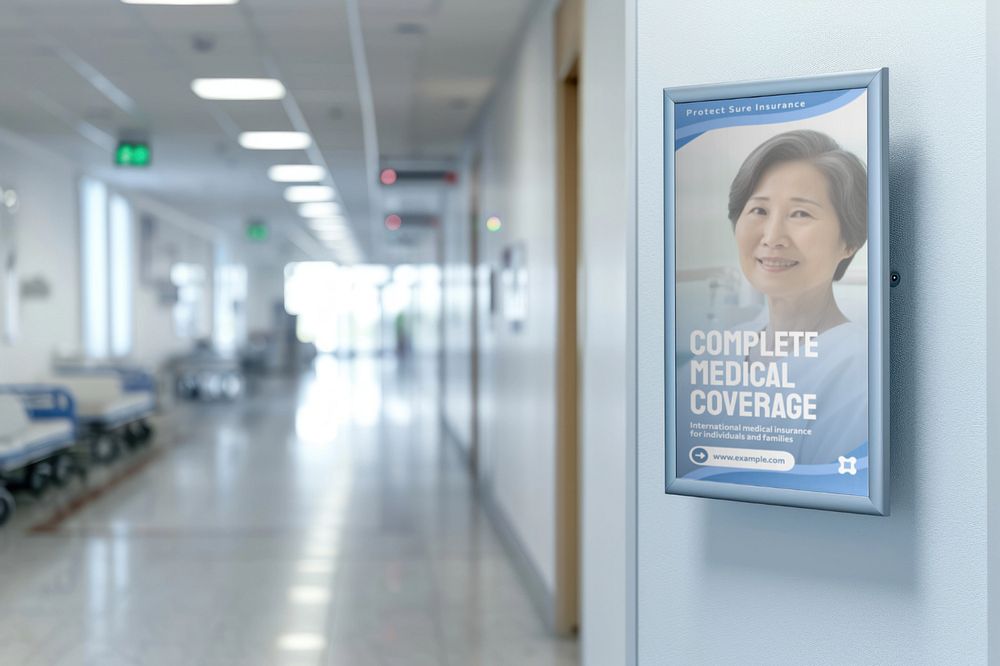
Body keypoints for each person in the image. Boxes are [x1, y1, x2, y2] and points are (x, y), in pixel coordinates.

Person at [677, 129, 869, 479]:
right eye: (759, 210)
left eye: (800, 214)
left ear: (850, 241)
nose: (772, 237)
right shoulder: (716, 357)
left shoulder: (858, 369)